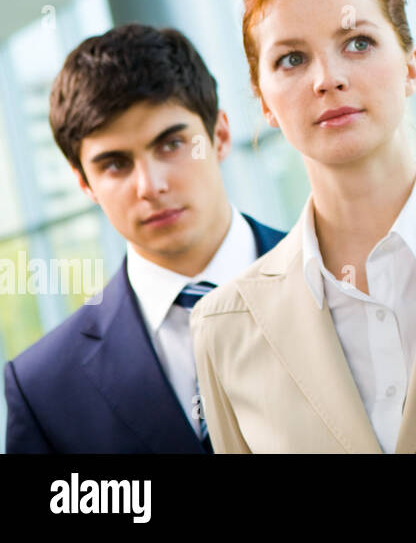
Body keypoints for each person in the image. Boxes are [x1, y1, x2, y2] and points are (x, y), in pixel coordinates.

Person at [191, 0, 416, 453]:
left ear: (410, 66)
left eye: (358, 43)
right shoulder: (224, 328)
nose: (328, 79)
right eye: (291, 60)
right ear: (264, 101)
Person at [4, 24, 282, 453]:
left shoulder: (339, 275)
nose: (150, 185)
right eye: (115, 164)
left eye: (171, 144)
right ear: (84, 184)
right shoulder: (44, 388)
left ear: (220, 136)